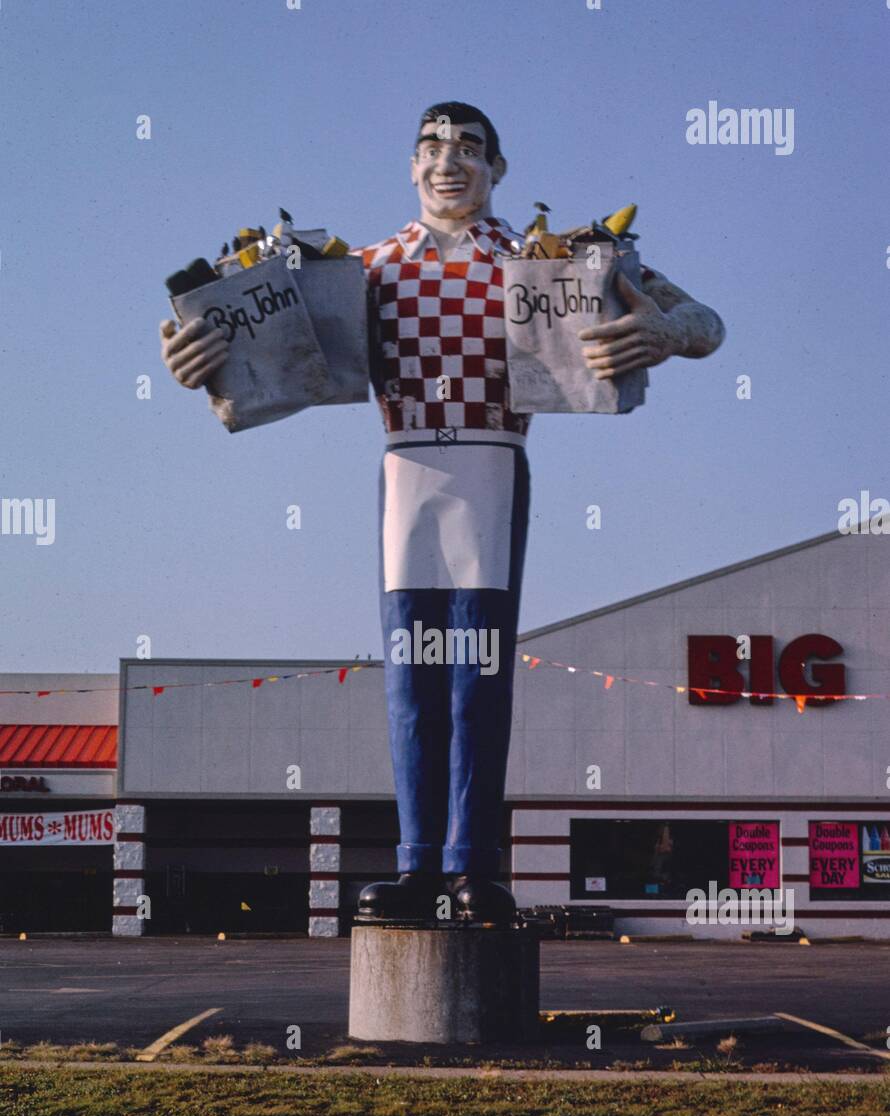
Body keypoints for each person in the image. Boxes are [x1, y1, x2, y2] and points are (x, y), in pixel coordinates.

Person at [159, 101, 725, 924]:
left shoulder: (552, 262)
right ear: (410, 165)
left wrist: (660, 331)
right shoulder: (357, 270)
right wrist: (202, 358)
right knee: (410, 677)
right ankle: (420, 864)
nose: (448, 162)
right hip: (407, 468)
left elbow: (706, 323)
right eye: (430, 147)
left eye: (467, 148)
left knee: (476, 677)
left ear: (499, 168)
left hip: (492, 462)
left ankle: (474, 866)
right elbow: (263, 372)